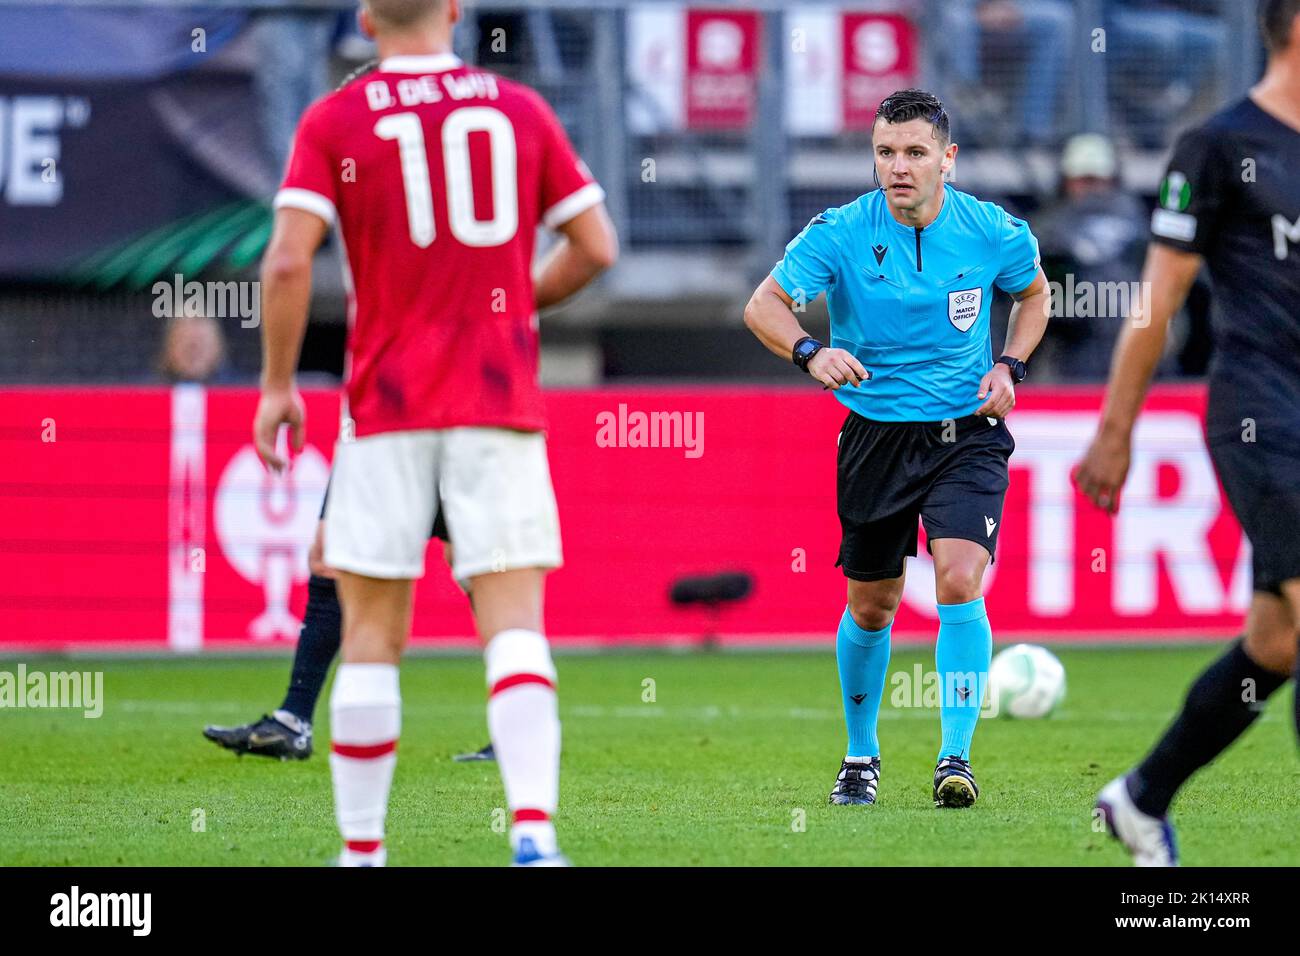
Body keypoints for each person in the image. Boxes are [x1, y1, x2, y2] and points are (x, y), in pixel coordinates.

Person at [252, 0, 617, 866]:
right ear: (456, 11)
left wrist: (275, 384)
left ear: (366, 18)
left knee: (374, 635)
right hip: (497, 406)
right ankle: (532, 834)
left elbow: (286, 258)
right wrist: (508, 307)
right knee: (514, 627)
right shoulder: (518, 109)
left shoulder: (335, 118)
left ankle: (364, 852)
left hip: (385, 408)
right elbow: (597, 246)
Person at [743, 89, 1050, 809]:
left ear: (948, 158)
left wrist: (1011, 366)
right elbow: (762, 305)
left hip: (964, 435)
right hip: (875, 436)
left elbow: (1035, 297)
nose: (899, 167)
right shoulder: (841, 231)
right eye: (886, 152)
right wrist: (811, 352)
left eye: (915, 152)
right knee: (874, 606)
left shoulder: (994, 231)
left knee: (959, 580)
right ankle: (860, 754)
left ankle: (956, 758)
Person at [1075, 0, 1300, 867]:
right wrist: (1114, 429)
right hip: (1262, 416)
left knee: (1276, 642)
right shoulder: (1219, 147)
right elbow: (1157, 299)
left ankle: (1140, 798)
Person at [1033, 133, 1147, 380]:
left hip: (1135, 347)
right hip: (1074, 354)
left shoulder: (1140, 224)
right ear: (1066, 181)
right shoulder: (1047, 227)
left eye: (1097, 180)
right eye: (1084, 180)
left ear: (1112, 180)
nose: (1092, 189)